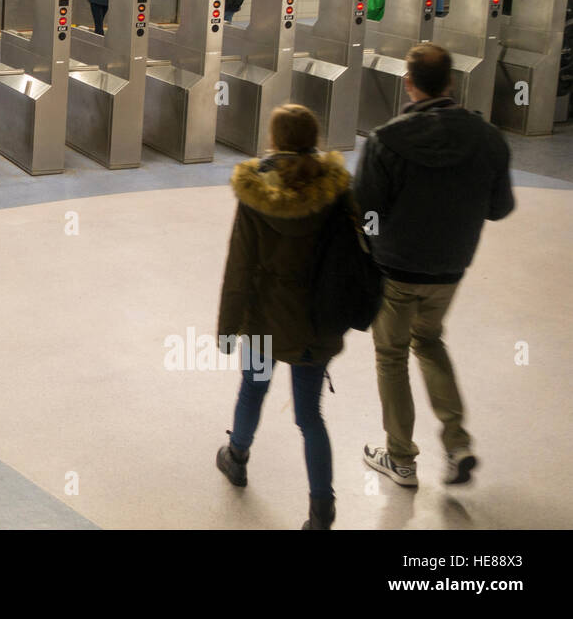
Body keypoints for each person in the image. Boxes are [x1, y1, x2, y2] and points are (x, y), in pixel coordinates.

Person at [354, 43, 515, 489]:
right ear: (450, 82)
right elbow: (499, 208)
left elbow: (364, 210)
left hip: (396, 269)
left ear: (408, 82)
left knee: (391, 356)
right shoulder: (488, 138)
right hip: (450, 269)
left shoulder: (387, 139)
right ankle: (457, 442)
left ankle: (401, 459)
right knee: (429, 342)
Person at [216, 103, 353, 530]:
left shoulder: (256, 193)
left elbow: (239, 266)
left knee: (253, 390)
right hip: (317, 319)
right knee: (310, 416)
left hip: (264, 322)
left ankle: (236, 456)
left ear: (274, 139)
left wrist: (227, 327)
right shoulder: (336, 191)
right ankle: (321, 508)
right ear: (314, 138)